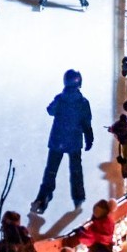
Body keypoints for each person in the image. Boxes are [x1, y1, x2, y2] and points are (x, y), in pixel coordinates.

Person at [33, 68, 94, 214]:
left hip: (57, 140)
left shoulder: (60, 98)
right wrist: (89, 138)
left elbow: (50, 110)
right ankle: (78, 196)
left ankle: (43, 197)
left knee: (51, 170)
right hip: (74, 141)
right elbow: (87, 122)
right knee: (76, 170)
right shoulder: (83, 102)